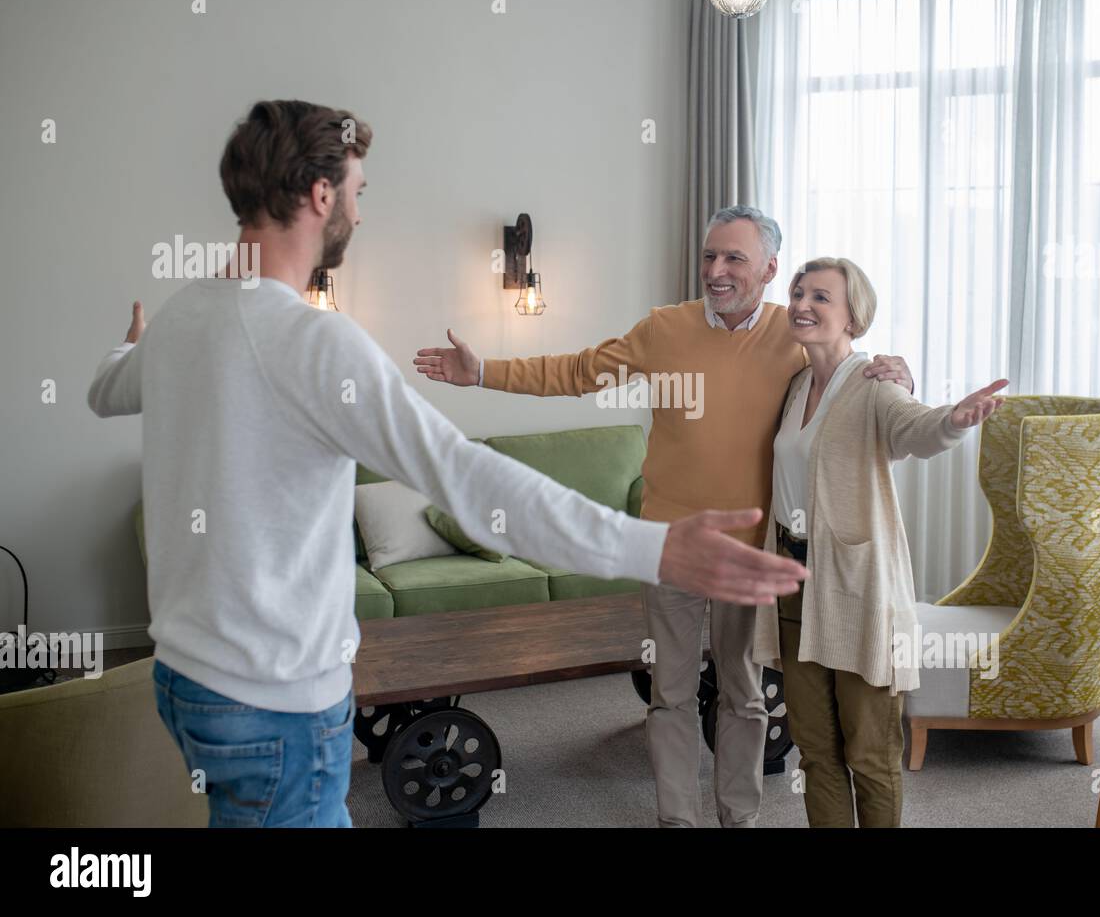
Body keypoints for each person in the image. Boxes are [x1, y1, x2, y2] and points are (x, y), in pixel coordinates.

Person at [86, 101, 807, 828]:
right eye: (359, 192)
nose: (361, 215)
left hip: (185, 680)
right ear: (320, 196)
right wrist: (653, 544)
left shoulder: (184, 315)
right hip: (278, 701)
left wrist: (130, 346)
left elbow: (105, 391)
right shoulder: (318, 344)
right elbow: (466, 475)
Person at [412, 207, 916, 827]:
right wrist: (483, 371)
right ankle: (677, 821)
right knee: (670, 696)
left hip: (749, 552)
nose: (717, 270)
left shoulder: (796, 331)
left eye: (734, 258)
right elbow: (578, 371)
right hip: (671, 543)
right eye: (710, 256)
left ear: (769, 269)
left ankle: (739, 817)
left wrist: (900, 370)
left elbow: (849, 376)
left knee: (744, 695)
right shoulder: (665, 328)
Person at [753, 256, 1007, 827]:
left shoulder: (873, 385)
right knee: (816, 752)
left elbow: (916, 428)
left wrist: (956, 419)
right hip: (791, 585)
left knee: (869, 752)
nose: (801, 304)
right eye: (798, 293)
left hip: (857, 591)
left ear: (853, 318)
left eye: (821, 297)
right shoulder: (794, 385)